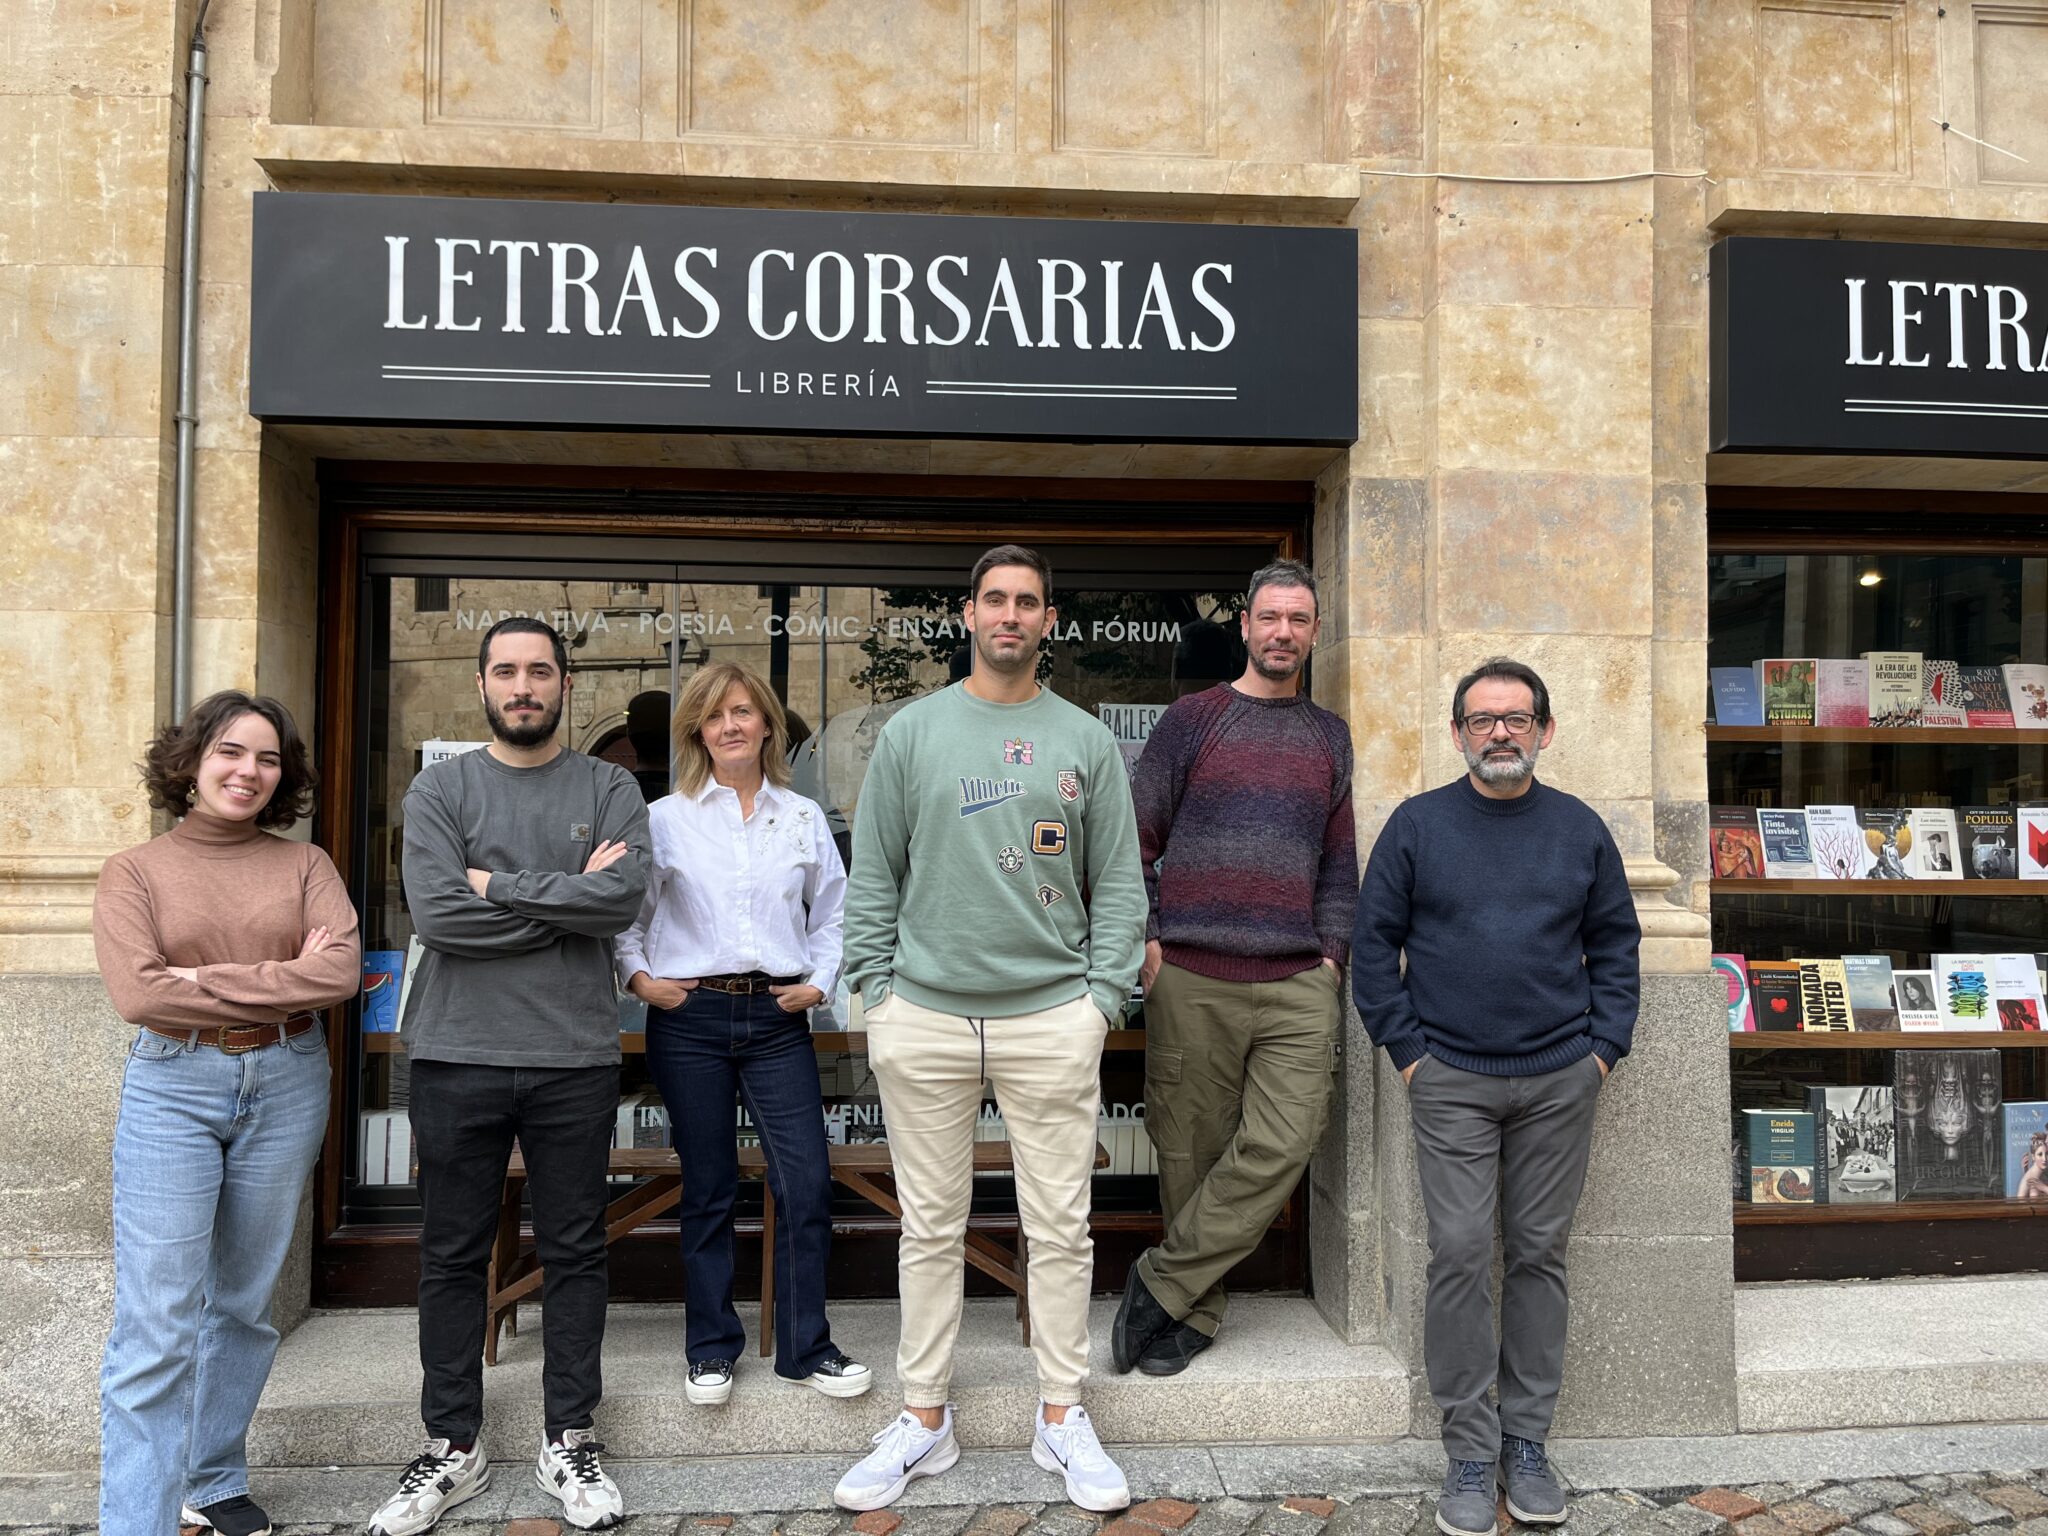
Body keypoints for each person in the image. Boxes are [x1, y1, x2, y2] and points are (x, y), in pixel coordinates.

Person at [835, 544, 1147, 1514]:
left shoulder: (1084, 740)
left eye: (1027, 603)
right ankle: (923, 1420)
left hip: (1050, 1014)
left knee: (1059, 1227)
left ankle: (1061, 1413)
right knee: (929, 1228)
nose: (1009, 616)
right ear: (966, 614)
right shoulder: (913, 732)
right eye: (994, 600)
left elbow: (1121, 886)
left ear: (1048, 621)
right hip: (922, 1015)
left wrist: (1099, 1003)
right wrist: (875, 995)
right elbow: (873, 873)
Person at [368, 619, 650, 1536]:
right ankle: (454, 1444)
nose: (522, 685)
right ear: (481, 683)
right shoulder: (439, 787)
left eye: (539, 671)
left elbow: (620, 900)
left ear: (566, 683)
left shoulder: (609, 785)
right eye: (506, 671)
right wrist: (563, 899)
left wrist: (497, 885)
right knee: (451, 1257)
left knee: (574, 1251)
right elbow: (442, 919)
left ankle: (569, 1434)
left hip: (572, 1056)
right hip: (456, 1052)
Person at [1350, 658, 1640, 1536]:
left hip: (1560, 1078)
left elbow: (1617, 948)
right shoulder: (1416, 826)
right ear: (1458, 734)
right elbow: (1373, 948)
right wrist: (1410, 1057)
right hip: (1450, 1082)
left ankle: (1527, 1442)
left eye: (1517, 719)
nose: (1500, 733)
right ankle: (1470, 1450)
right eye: (1483, 720)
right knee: (1462, 1253)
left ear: (1545, 732)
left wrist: (1601, 1052)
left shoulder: (1581, 830)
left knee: (1540, 1255)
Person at [93, 691, 362, 1536]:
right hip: (175, 1085)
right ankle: (137, 1520)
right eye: (232, 753)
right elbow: (138, 994)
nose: (249, 771)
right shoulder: (134, 870)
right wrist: (280, 967)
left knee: (242, 1303)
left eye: (269, 758)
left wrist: (197, 981)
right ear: (192, 761)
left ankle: (209, 1482)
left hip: (287, 1077)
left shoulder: (304, 865)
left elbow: (339, 975)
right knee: (157, 1320)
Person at [1110, 559, 1357, 1376]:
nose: (1283, 632)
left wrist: (1330, 957)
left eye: (1299, 620)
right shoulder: (1192, 720)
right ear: (1246, 627)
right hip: (1191, 972)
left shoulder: (1329, 735)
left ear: (1314, 633)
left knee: (1287, 1141)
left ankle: (1162, 1281)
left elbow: (1337, 863)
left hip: (1296, 981)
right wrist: (1148, 943)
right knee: (1191, 1149)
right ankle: (1198, 1310)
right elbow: (1131, 842)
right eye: (1270, 618)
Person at [615, 661, 870, 1405]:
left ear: (767, 725)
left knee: (806, 1181)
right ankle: (711, 1348)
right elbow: (627, 918)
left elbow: (835, 914)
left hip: (775, 1017)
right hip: (688, 1018)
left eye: (745, 712)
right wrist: (640, 981)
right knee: (709, 1186)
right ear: (698, 729)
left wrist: (820, 983)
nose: (731, 725)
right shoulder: (664, 819)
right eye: (716, 714)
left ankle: (805, 1346)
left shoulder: (802, 817)